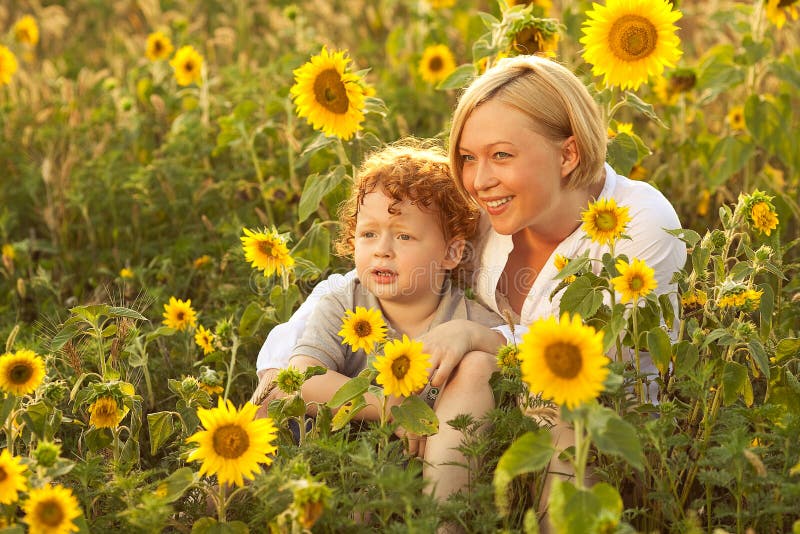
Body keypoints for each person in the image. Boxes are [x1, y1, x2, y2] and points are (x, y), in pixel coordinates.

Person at [254, 54, 686, 519]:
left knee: (527, 395)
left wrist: (482, 336)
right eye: (466, 157)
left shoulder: (639, 223)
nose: (479, 181)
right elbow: (368, 283)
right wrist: (293, 374)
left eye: (501, 154)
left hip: (591, 426)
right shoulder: (483, 210)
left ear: (567, 154)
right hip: (470, 426)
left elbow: (597, 363)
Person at [257, 140, 505, 501]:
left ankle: (445, 520)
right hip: (336, 460)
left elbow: (506, 360)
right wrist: (393, 408)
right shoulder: (343, 303)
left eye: (404, 236)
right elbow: (301, 379)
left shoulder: (467, 320)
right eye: (368, 233)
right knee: (267, 399)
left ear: (451, 252)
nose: (382, 249)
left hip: (418, 474)